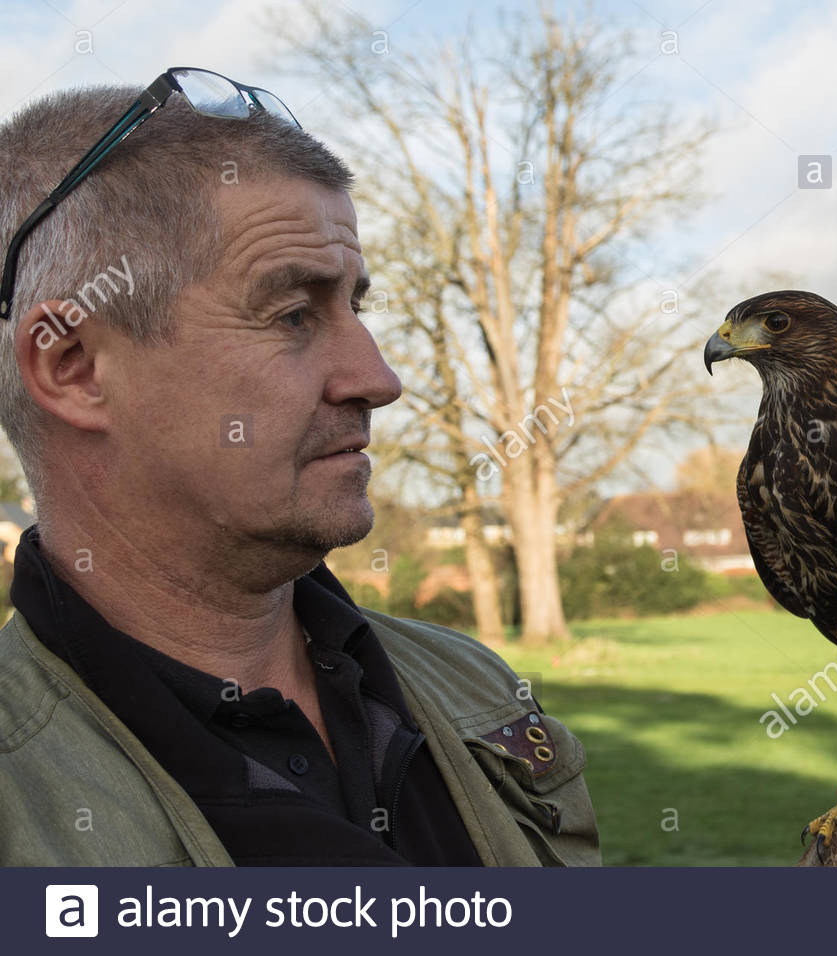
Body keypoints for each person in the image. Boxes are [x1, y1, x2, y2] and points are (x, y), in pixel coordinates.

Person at [0, 69, 599, 867]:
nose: (379, 379)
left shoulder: (473, 690)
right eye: (292, 314)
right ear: (74, 366)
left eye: (357, 305)